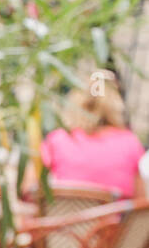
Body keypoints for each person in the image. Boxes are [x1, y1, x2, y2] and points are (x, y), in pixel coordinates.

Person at [27, 71, 144, 199]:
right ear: (115, 106)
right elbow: (139, 201)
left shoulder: (58, 139)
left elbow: (28, 190)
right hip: (116, 218)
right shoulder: (130, 142)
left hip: (66, 217)